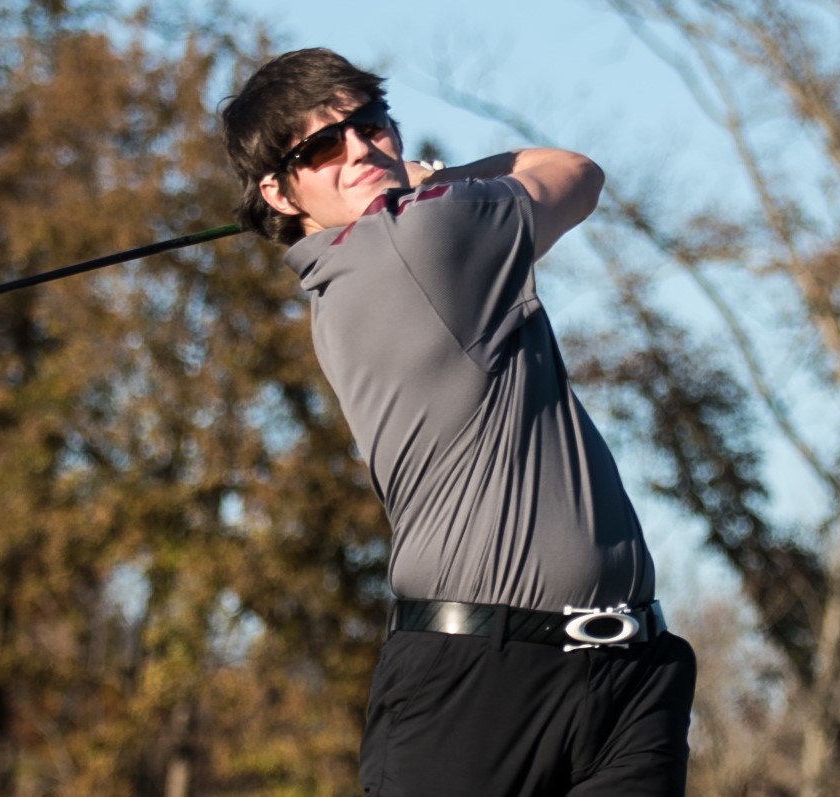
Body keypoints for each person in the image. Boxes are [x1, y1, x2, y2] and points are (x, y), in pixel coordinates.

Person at [219, 48, 696, 796]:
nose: (361, 151)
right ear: (280, 194)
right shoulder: (420, 244)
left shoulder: (383, 254)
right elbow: (574, 171)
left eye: (370, 124)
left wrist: (418, 187)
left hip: (626, 672)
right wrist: (436, 179)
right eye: (321, 147)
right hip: (480, 685)